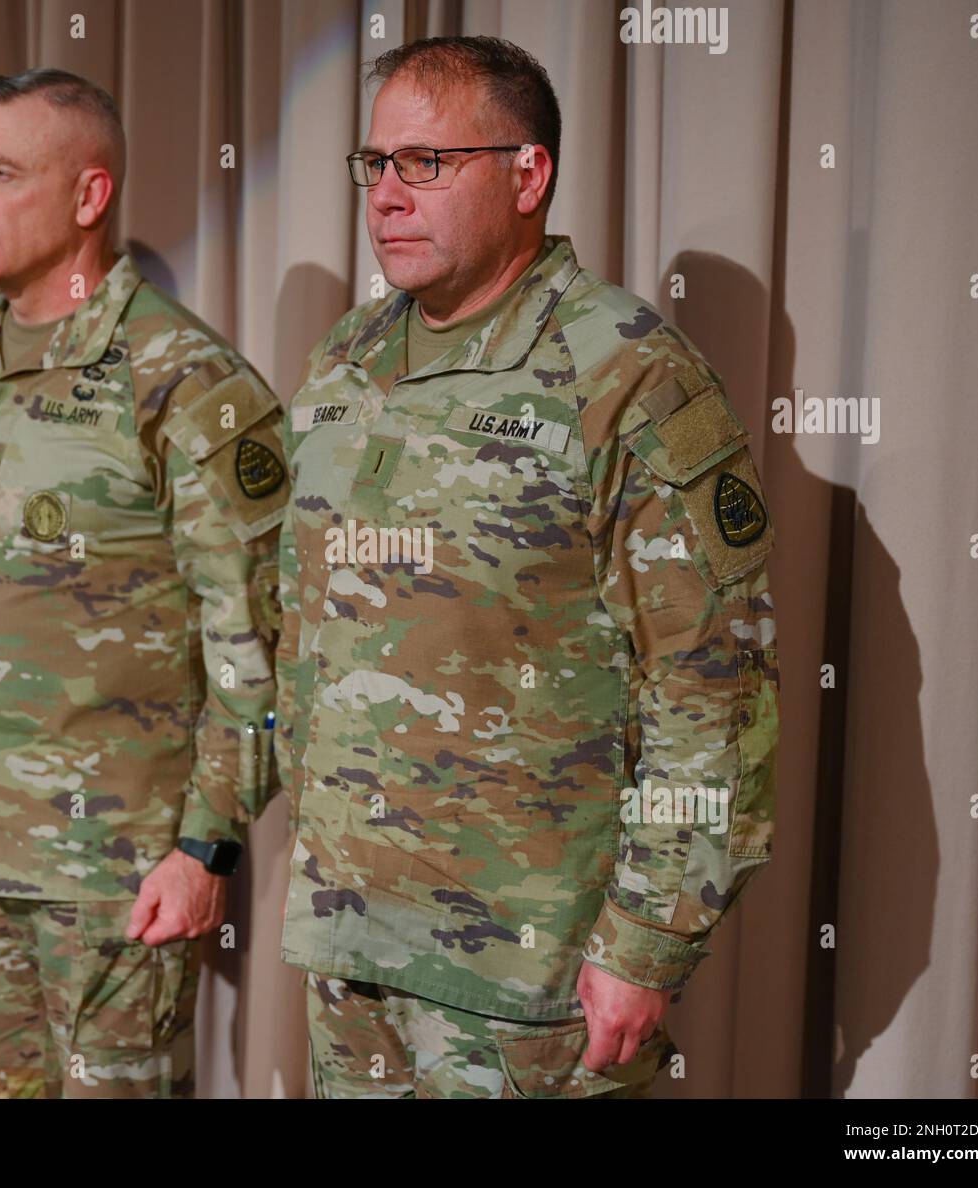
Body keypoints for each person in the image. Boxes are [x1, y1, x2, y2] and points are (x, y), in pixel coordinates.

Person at [275, 35, 779, 1099]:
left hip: (527, 979)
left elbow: (709, 688)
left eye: (425, 164)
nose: (387, 197)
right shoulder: (345, 358)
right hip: (348, 946)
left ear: (526, 172)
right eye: (375, 165)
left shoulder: (628, 374)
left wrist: (646, 941)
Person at [0, 68, 286, 1098]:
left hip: (114, 874)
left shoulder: (184, 381)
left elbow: (257, 643)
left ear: (88, 196)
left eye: (0, 171)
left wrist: (205, 847)